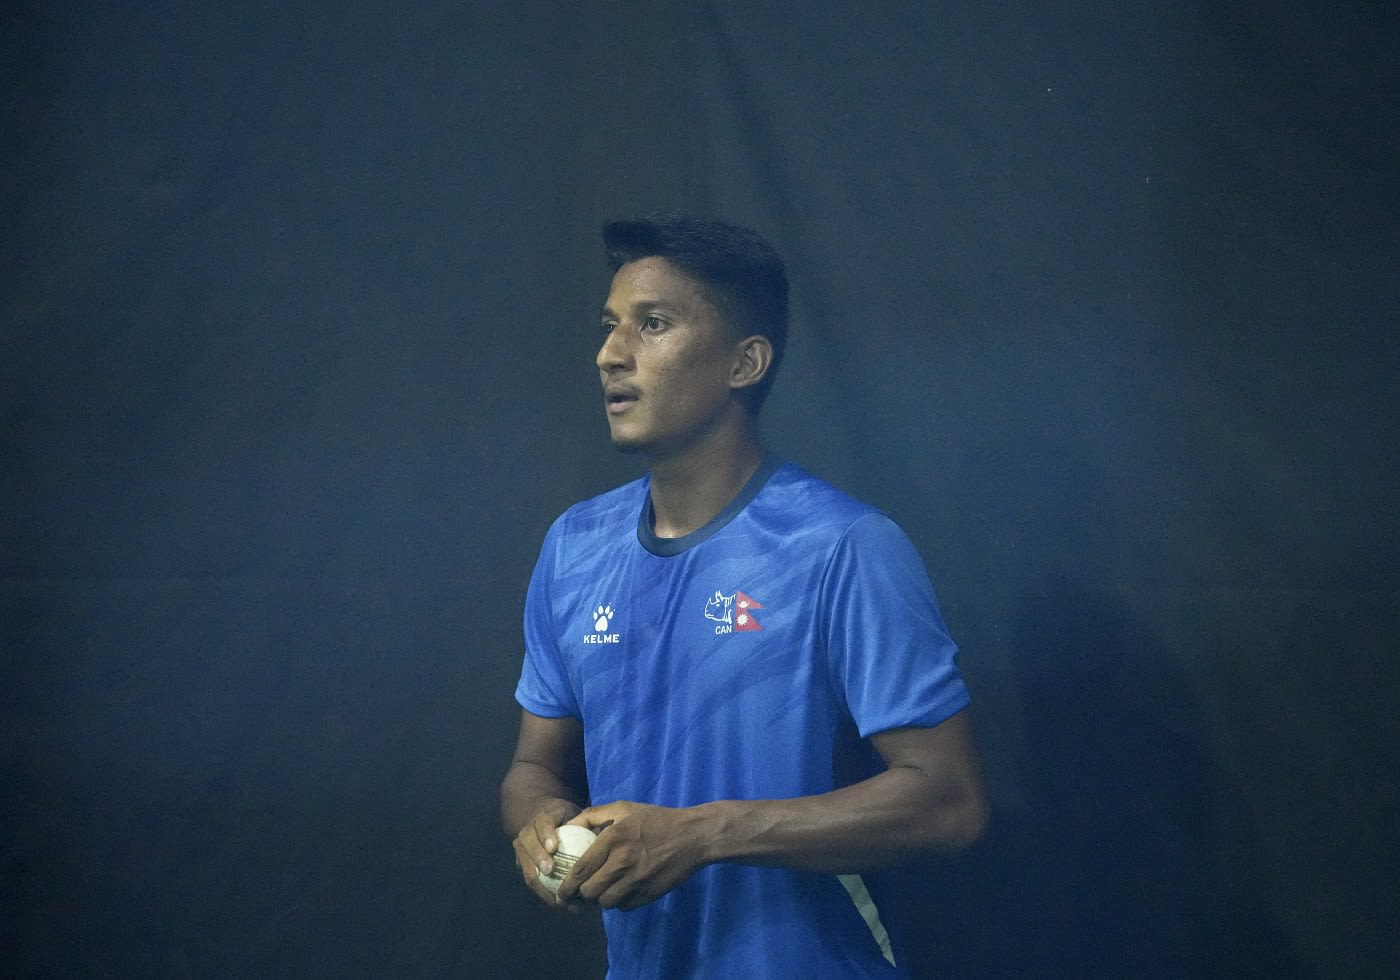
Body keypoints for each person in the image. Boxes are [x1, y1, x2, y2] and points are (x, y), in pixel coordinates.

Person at [501, 212, 988, 978]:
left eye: (652, 324)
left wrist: (703, 834)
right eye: (609, 325)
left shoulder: (842, 547)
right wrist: (535, 822)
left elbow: (950, 802)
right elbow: (535, 765)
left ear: (744, 362)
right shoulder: (574, 546)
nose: (609, 354)